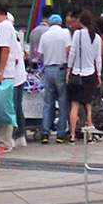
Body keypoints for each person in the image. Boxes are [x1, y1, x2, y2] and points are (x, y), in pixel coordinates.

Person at [0, 5, 26, 147]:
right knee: (7, 106)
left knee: (4, 108)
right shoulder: (8, 27)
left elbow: (5, 50)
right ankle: (7, 139)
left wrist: (0, 72)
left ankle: (5, 141)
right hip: (9, 73)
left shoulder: (3, 27)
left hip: (5, 75)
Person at [34, 11, 71, 145]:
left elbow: (41, 55)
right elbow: (68, 50)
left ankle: (45, 132)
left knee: (48, 103)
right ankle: (60, 134)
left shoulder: (45, 35)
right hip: (61, 69)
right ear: (60, 23)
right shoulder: (65, 33)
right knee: (62, 102)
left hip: (48, 70)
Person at [65, 10, 100, 142]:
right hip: (90, 73)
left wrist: (69, 69)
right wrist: (99, 74)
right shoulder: (95, 37)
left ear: (81, 21)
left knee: (74, 106)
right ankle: (90, 134)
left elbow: (72, 53)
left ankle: (73, 135)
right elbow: (98, 58)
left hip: (77, 74)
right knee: (88, 106)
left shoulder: (77, 35)